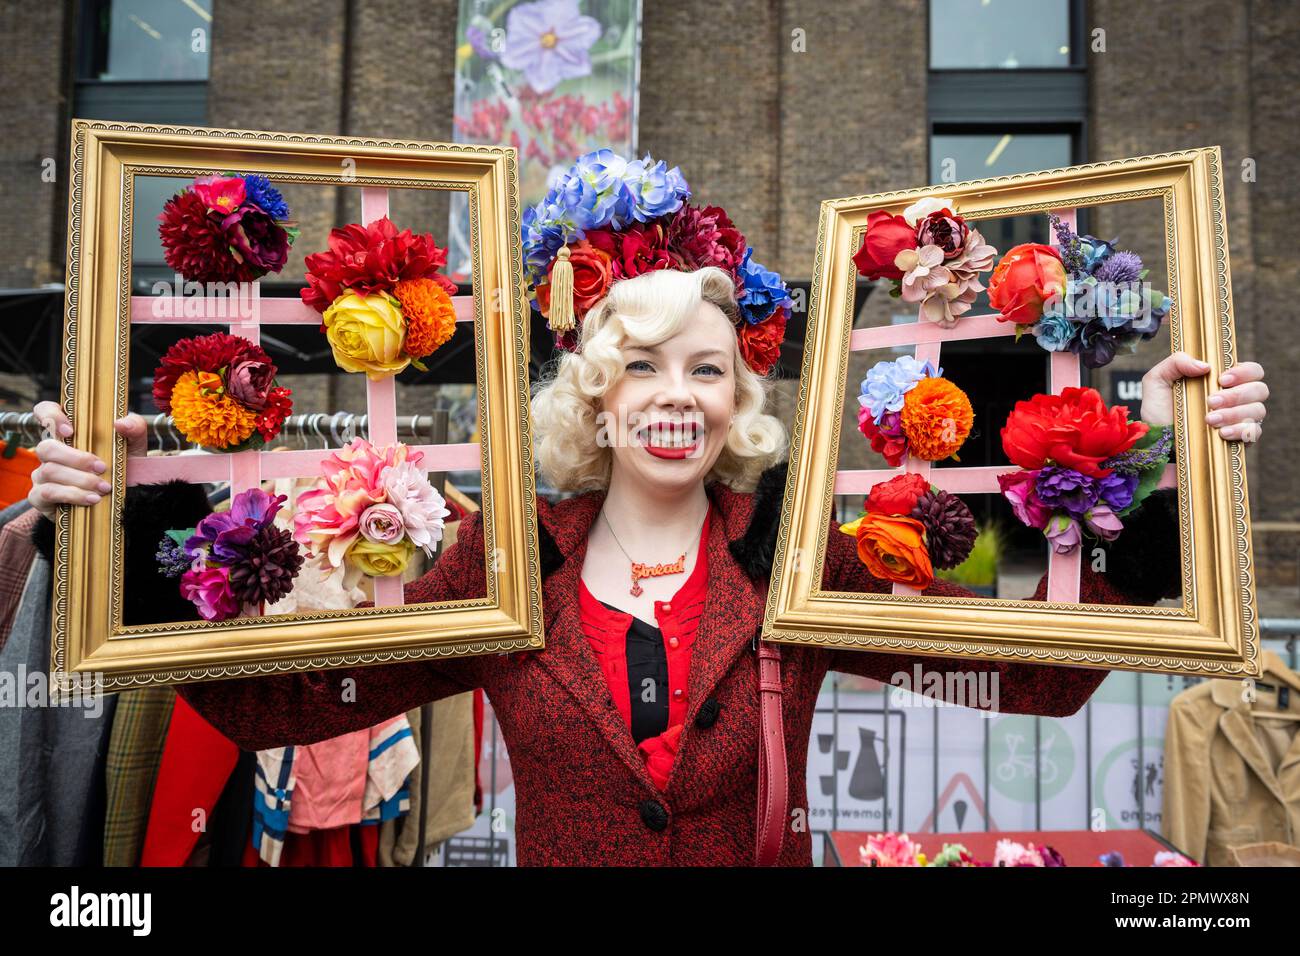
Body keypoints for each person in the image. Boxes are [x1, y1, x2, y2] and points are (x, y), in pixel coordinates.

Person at [27, 154, 1270, 866]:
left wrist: (1169, 476)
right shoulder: (508, 562)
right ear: (595, 392)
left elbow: (1029, 679)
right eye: (642, 365)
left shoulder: (797, 558)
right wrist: (126, 526)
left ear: (739, 398)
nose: (675, 393)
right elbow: (285, 702)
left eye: (706, 368)